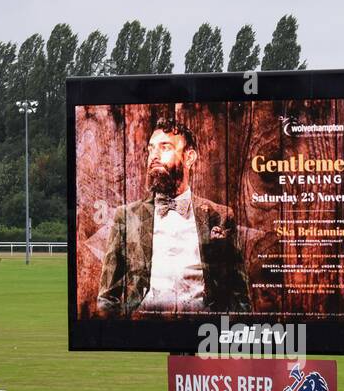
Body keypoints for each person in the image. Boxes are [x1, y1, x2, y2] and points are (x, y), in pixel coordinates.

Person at [96, 117, 250, 317]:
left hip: (202, 328)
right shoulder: (127, 217)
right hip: (145, 328)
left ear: (189, 157)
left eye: (165, 147)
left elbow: (239, 295)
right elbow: (107, 296)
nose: (154, 156)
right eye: (151, 149)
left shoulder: (219, 216)